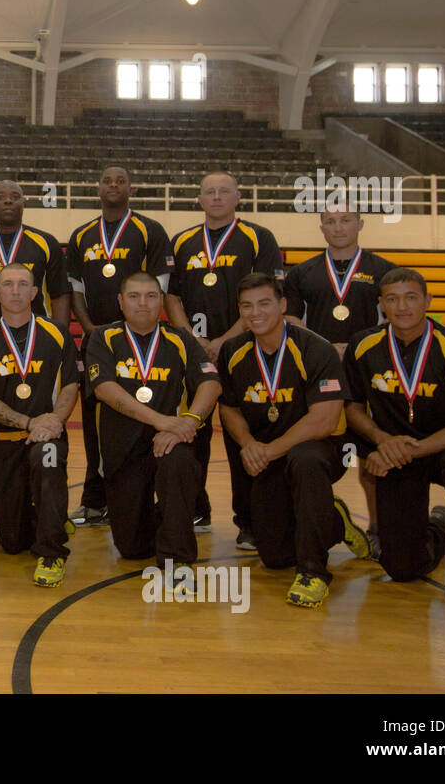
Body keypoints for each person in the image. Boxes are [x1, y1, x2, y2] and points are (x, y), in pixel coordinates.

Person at [343, 268, 445, 625]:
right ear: (381, 304)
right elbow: (351, 409)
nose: (402, 306)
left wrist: (414, 448)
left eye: (411, 297)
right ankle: (437, 528)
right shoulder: (363, 346)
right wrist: (382, 441)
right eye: (392, 298)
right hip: (394, 452)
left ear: (428, 301)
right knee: (400, 568)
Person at [217, 273, 373, 609]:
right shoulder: (233, 351)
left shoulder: (316, 349)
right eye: (246, 306)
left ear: (283, 305)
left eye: (264, 303)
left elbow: (325, 419)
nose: (255, 312)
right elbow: (228, 408)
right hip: (268, 452)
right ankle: (333, 521)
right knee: (274, 556)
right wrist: (248, 444)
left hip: (323, 447)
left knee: (306, 459)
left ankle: (314, 573)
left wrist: (269, 450)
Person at [164, 170, 285, 550]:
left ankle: (249, 520)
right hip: (193, 351)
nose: (216, 197)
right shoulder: (182, 241)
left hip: (244, 348)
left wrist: (224, 340)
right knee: (192, 429)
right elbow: (172, 297)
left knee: (240, 435)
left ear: (238, 198)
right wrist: (192, 340)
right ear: (199, 199)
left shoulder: (258, 238)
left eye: (224, 191)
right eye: (209, 192)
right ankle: (196, 508)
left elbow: (262, 297)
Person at [84, 272, 219, 584]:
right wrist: (162, 420)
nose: (142, 303)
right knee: (132, 548)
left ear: (161, 301)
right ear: (120, 302)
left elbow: (211, 383)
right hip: (124, 448)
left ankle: (178, 561)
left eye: (150, 296)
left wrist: (188, 421)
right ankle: (166, 520)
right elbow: (104, 389)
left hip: (170, 443)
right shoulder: (102, 337)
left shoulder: (181, 338)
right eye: (134, 296)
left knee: (179, 465)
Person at [284, 203, 396, 551]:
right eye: (330, 221)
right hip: (319, 376)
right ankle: (317, 522)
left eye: (346, 220)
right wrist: (325, 349)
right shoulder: (301, 273)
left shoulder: (385, 271)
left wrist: (357, 345)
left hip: (369, 372)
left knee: (371, 456)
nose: (338, 227)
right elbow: (289, 319)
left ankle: (378, 527)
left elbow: (395, 318)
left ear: (360, 224)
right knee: (311, 451)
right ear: (321, 228)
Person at [68, 166, 173, 528]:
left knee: (147, 418)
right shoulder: (82, 234)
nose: (113, 186)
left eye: (121, 181)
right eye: (107, 181)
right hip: (99, 342)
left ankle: (161, 501)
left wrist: (131, 326)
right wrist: (92, 330)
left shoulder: (150, 230)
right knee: (97, 425)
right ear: (97, 188)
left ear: (131, 187)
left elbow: (158, 289)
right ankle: (95, 502)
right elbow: (76, 291)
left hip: (142, 342)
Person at [0, 180, 69, 530]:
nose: (8, 202)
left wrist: (60, 337)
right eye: (0, 197)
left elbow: (60, 293)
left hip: (36, 337)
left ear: (25, 202)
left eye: (15, 197)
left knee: (42, 410)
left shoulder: (45, 242)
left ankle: (47, 499)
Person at [0, 263, 78, 587]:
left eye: (22, 285)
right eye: (8, 285)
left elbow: (70, 386)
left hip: (47, 437)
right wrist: (29, 422)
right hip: (3, 440)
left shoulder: (57, 334)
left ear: (34, 293)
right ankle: (47, 517)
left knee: (48, 460)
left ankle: (52, 552)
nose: (15, 291)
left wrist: (53, 422)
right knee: (12, 542)